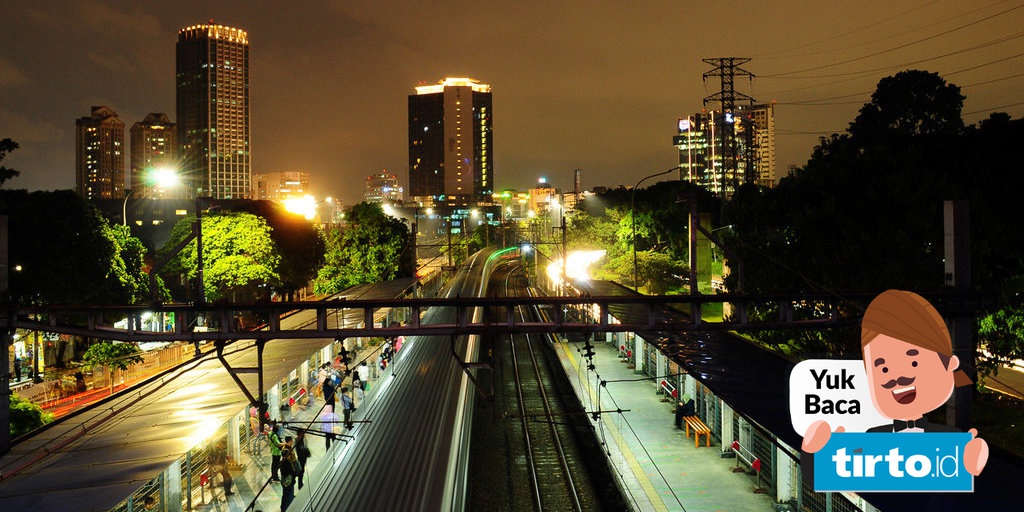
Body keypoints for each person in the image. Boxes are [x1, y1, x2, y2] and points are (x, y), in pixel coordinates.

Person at [801, 290, 989, 478]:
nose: (898, 378)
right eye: (883, 369)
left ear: (950, 363)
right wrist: (814, 453)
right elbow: (829, 471)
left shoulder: (950, 443)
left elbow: (968, 471)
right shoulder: (872, 439)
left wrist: (972, 460)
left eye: (913, 363)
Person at [279, 445, 298, 511]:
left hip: (284, 482)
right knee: (289, 497)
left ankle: (283, 508)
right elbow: (293, 472)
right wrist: (295, 473)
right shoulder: (287, 463)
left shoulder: (281, 462)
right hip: (289, 483)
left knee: (284, 496)